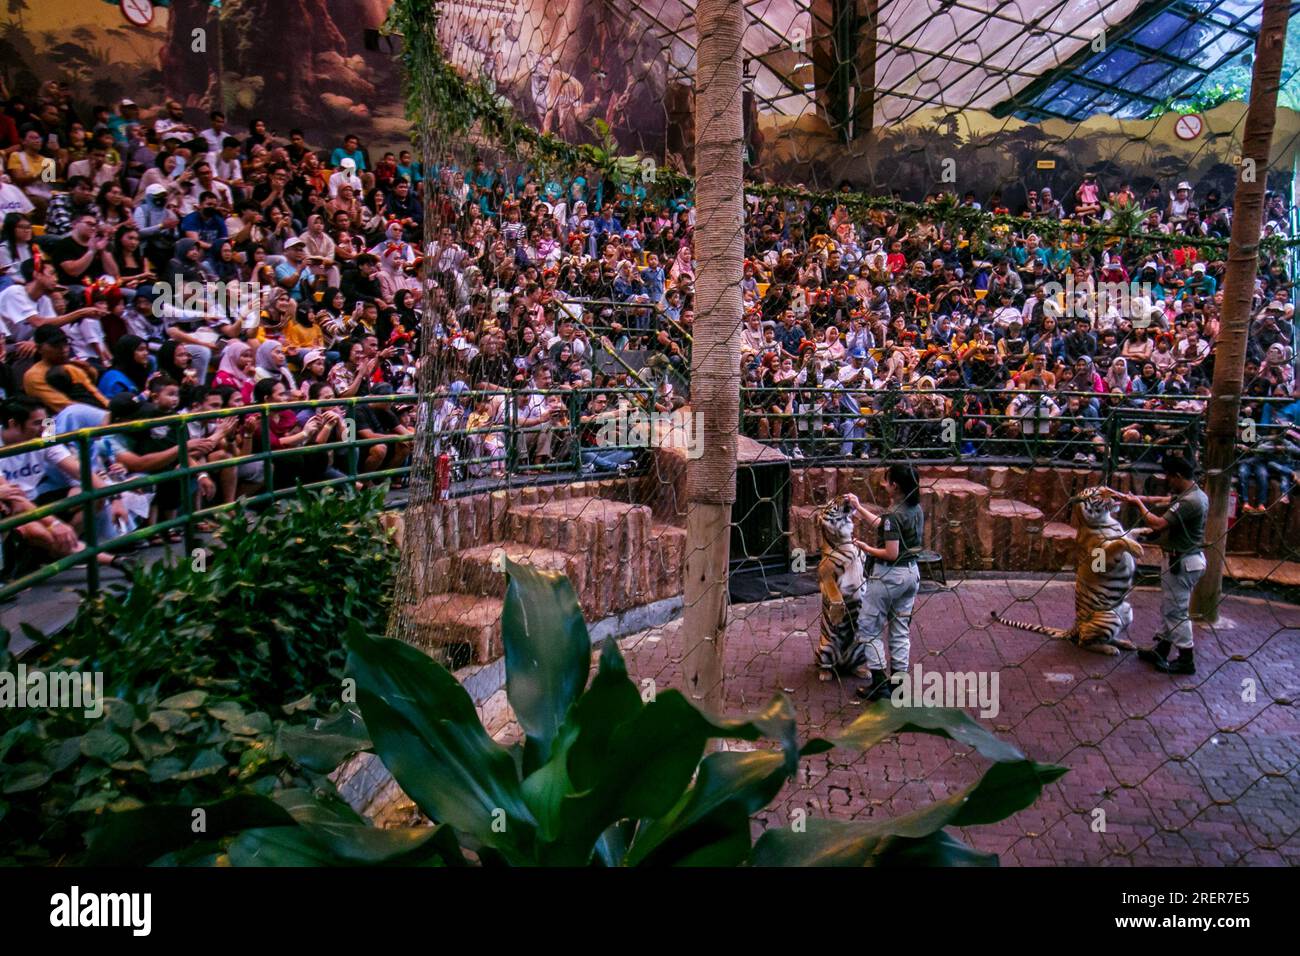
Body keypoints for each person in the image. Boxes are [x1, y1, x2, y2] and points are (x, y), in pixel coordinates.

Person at [1117, 455, 1208, 675]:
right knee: (1171, 608)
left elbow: (1157, 523)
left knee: (1177, 613)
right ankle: (1162, 649)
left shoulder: (1190, 501)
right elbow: (1163, 500)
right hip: (1184, 560)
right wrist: (1135, 497)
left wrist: (1138, 504)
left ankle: (1186, 659)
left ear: (1177, 476)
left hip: (1182, 562)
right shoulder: (1194, 494)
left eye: (1169, 476)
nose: (1167, 480)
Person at [844, 463, 925, 700]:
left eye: (887, 481)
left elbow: (890, 552)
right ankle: (899, 687)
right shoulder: (914, 508)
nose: (883, 484)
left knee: (869, 627)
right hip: (911, 574)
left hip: (889, 575)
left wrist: (867, 548)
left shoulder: (894, 515)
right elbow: (885, 526)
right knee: (900, 630)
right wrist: (858, 508)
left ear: (895, 485)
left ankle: (879, 684)